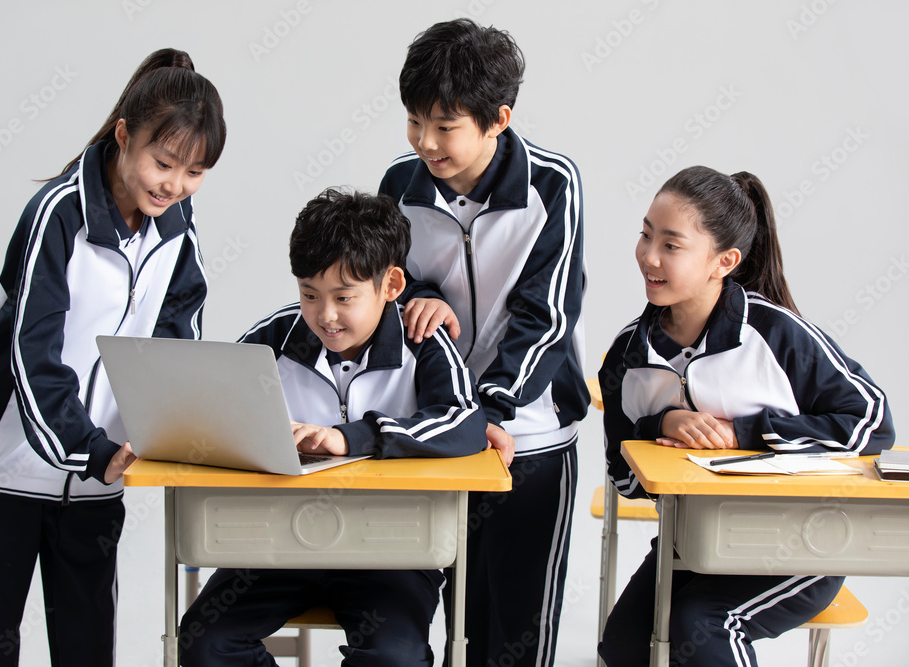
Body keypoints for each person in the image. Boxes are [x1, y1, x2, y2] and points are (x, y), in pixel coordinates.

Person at [0, 48, 226, 667]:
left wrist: (171, 432)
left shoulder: (176, 223)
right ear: (124, 137)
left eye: (195, 172)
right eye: (162, 163)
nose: (174, 186)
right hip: (7, 470)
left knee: (86, 651)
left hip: (99, 480)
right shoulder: (57, 216)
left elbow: (177, 338)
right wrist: (92, 450)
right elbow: (33, 353)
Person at [597, 165, 895, 666]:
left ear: (724, 261)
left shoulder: (777, 334)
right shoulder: (628, 353)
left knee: (703, 624)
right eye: (645, 235)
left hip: (803, 545)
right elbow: (624, 479)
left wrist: (746, 432)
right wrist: (660, 424)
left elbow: (870, 421)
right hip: (696, 544)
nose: (648, 256)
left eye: (671, 245)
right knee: (625, 646)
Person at [177, 188, 488, 666]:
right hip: (278, 544)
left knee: (395, 658)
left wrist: (354, 438)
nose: (325, 315)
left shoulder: (422, 342)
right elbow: (216, 409)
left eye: (344, 297)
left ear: (391, 285)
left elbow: (464, 423)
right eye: (309, 294)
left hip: (391, 550)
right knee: (204, 641)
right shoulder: (273, 339)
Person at [378, 18, 589, 667]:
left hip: (530, 436)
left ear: (498, 119)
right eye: (415, 121)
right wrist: (417, 295)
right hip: (442, 432)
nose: (425, 141)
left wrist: (492, 412)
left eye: (444, 126)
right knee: (457, 628)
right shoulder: (400, 186)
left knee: (518, 633)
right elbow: (384, 286)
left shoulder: (551, 185)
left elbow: (546, 315)